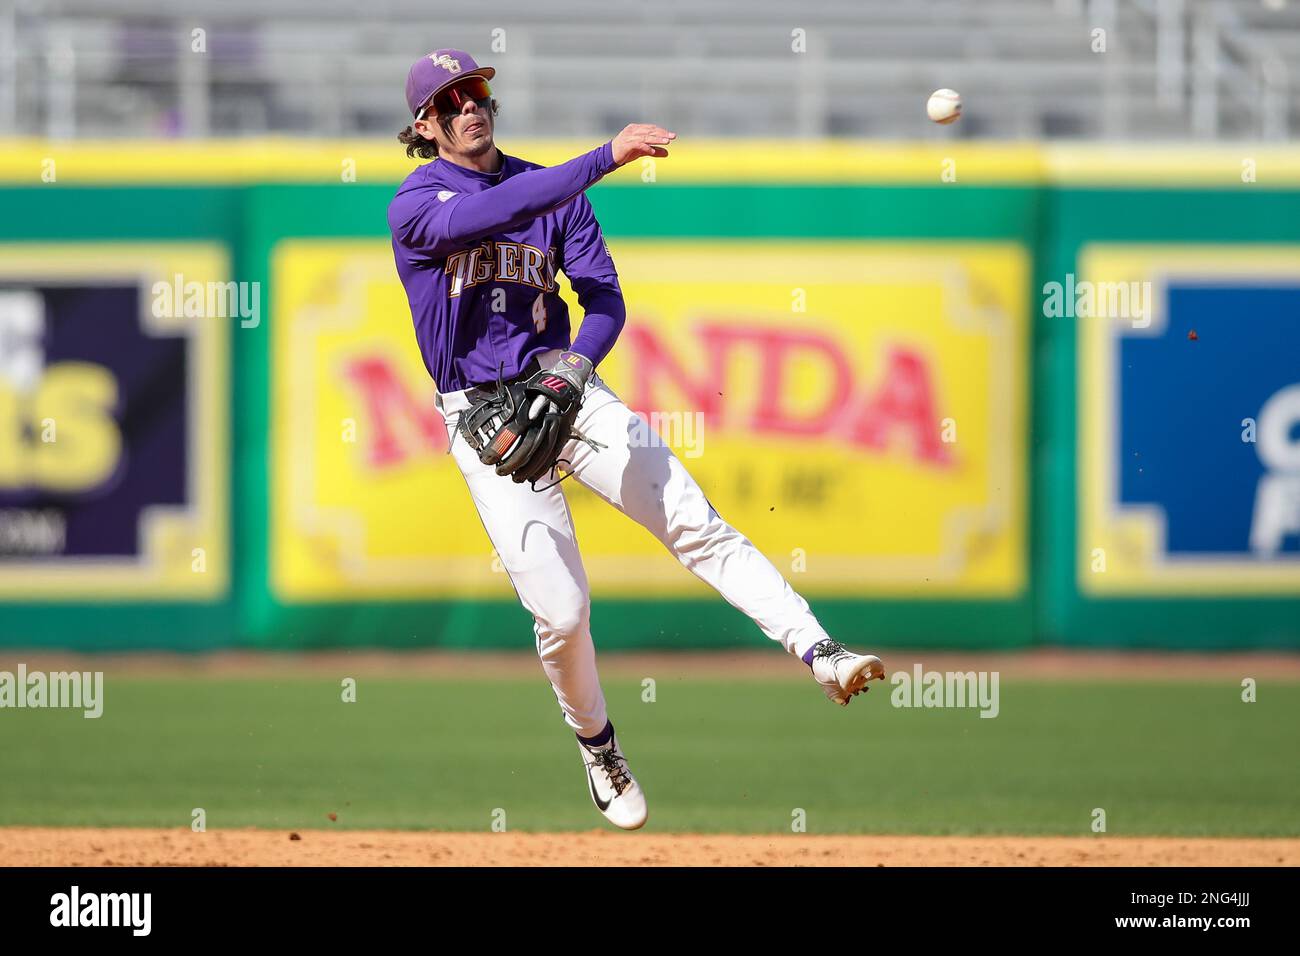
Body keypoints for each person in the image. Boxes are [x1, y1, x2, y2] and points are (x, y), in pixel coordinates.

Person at [388, 49, 886, 830]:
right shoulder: (417, 202)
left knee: (692, 519)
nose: (469, 105)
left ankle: (820, 650)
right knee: (561, 613)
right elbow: (492, 213)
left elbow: (606, 304)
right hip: (482, 417)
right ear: (426, 124)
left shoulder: (561, 196)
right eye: (449, 100)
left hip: (566, 389)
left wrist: (576, 369)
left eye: (476, 89)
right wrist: (603, 157)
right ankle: (599, 747)